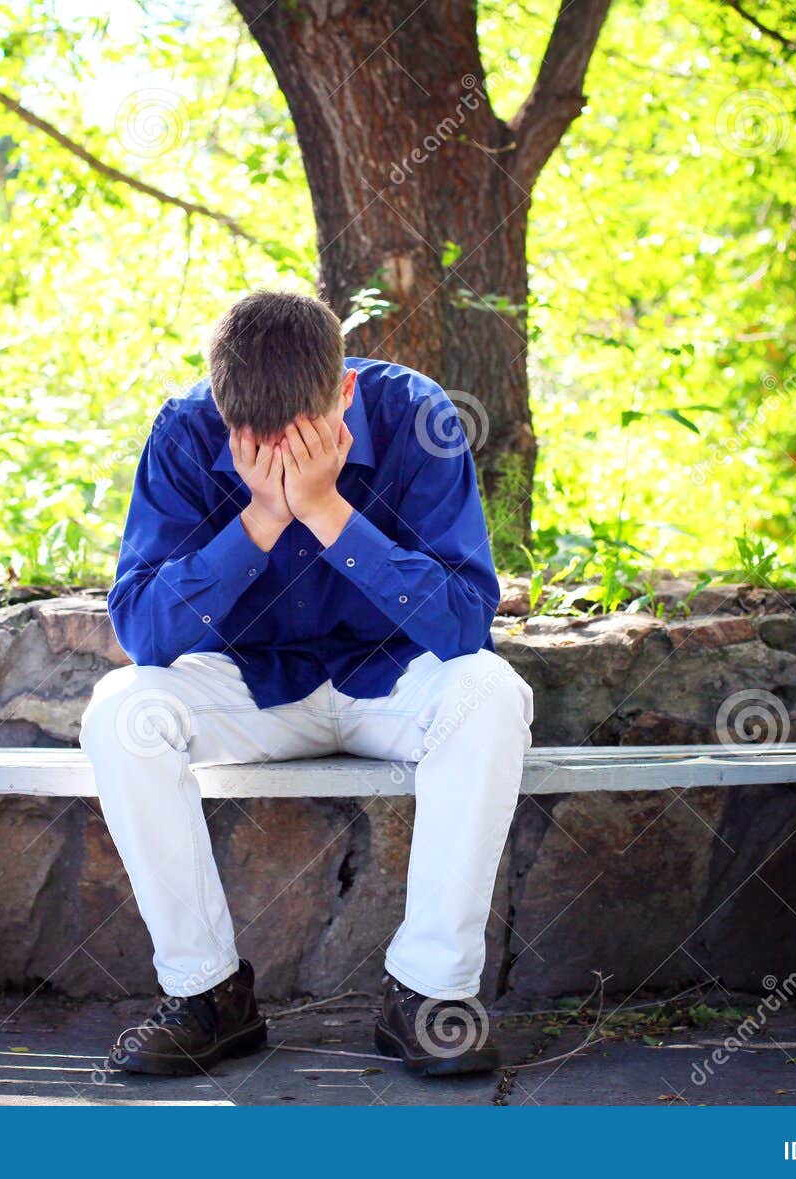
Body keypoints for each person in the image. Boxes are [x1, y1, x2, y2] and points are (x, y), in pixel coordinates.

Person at [80, 290, 533, 1077]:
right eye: (257, 442)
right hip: (251, 689)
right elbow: (145, 634)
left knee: (491, 693)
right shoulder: (184, 433)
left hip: (389, 681)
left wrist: (326, 512)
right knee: (122, 710)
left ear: (346, 392)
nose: (281, 456)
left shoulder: (415, 416)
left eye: (306, 437)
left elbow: (464, 624)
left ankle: (431, 995)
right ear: (223, 413)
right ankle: (207, 996)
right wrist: (257, 520)